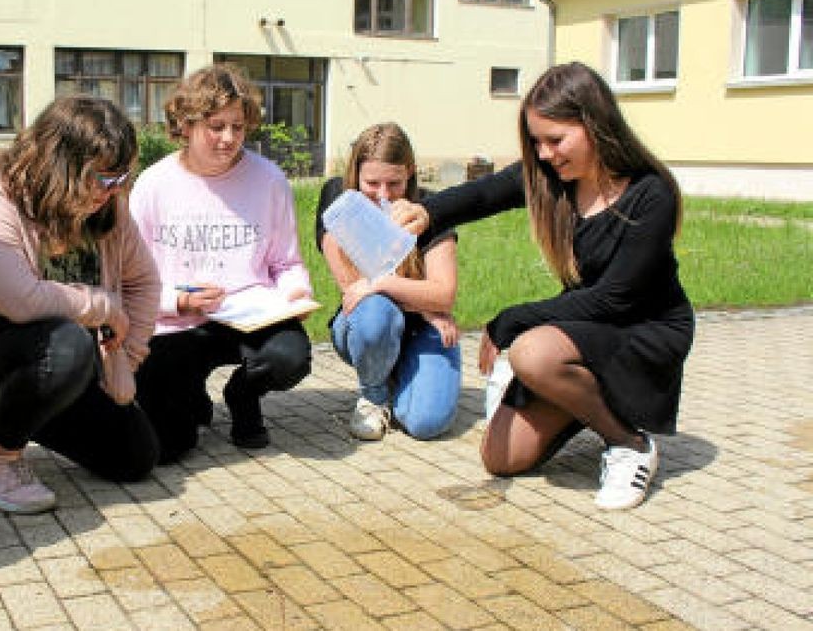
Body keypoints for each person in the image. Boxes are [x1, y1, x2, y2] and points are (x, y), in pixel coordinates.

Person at [395, 62, 694, 510]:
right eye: (536, 141)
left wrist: (509, 322)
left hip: (644, 329)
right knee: (501, 457)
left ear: (596, 125)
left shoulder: (651, 194)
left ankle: (628, 443)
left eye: (556, 139)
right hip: (589, 325)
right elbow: (484, 194)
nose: (545, 152)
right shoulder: (553, 176)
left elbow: (615, 299)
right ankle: (583, 396)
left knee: (532, 352)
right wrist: (430, 213)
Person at [0, 95, 162, 512]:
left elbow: (144, 281)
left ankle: (18, 417)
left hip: (57, 358)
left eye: (121, 179)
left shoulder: (108, 206)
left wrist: (127, 359)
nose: (111, 192)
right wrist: (104, 306)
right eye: (101, 178)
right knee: (69, 343)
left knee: (135, 457)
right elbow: (21, 300)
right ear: (60, 164)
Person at [129, 63, 314, 461]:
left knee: (289, 358)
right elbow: (130, 281)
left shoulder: (269, 180)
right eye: (216, 126)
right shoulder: (152, 186)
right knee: (169, 445)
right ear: (185, 124)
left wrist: (296, 292)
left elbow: (286, 263)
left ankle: (242, 396)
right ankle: (192, 398)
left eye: (238, 126)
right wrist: (178, 301)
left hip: (248, 318)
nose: (228, 139)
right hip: (177, 324)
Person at [315, 123, 461, 442]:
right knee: (375, 312)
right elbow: (354, 288)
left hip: (425, 330)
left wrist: (383, 284)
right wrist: (423, 304)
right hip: (370, 323)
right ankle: (375, 395)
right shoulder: (337, 200)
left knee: (427, 424)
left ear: (410, 172)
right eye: (372, 183)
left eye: (394, 183)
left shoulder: (431, 207)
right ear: (355, 174)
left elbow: (444, 294)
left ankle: (397, 372)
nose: (383, 194)